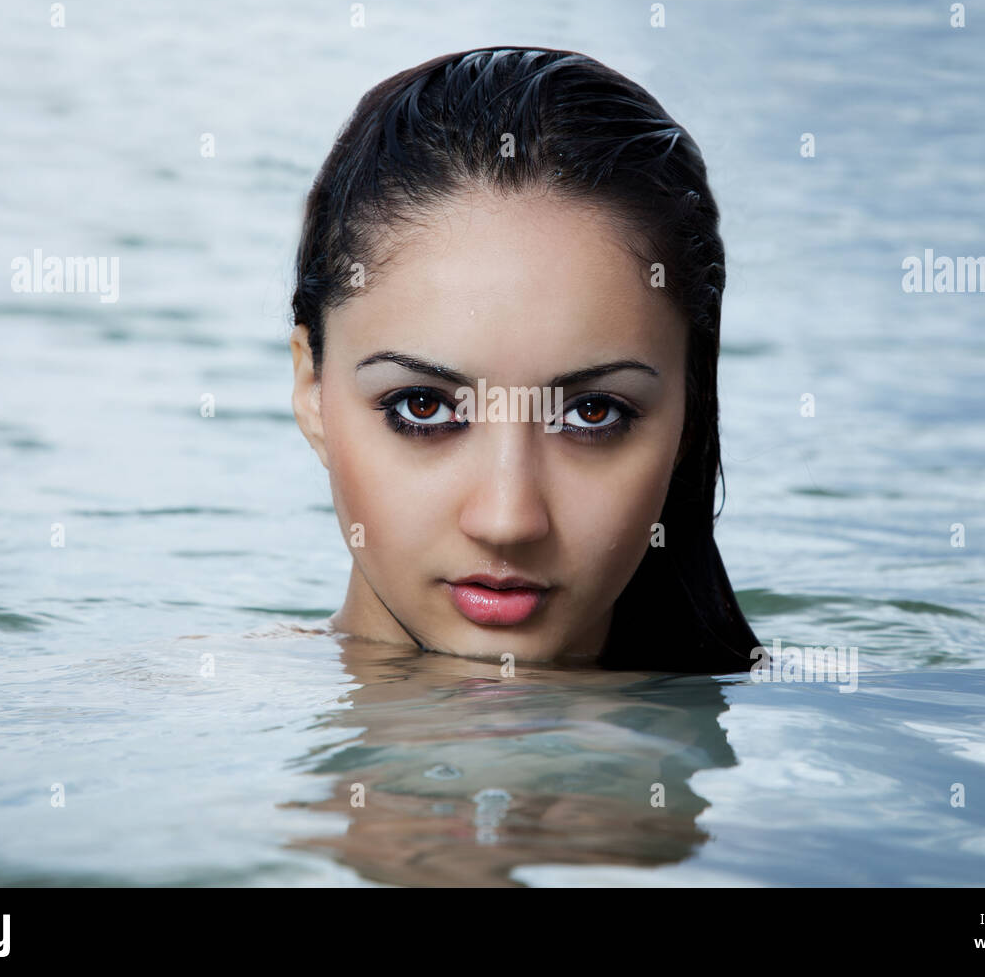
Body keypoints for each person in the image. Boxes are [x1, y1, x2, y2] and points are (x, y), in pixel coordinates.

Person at [289, 46, 760, 673]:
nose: (507, 521)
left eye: (593, 413)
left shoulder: (836, 727)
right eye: (422, 406)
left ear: (689, 415)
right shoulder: (169, 724)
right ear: (312, 392)